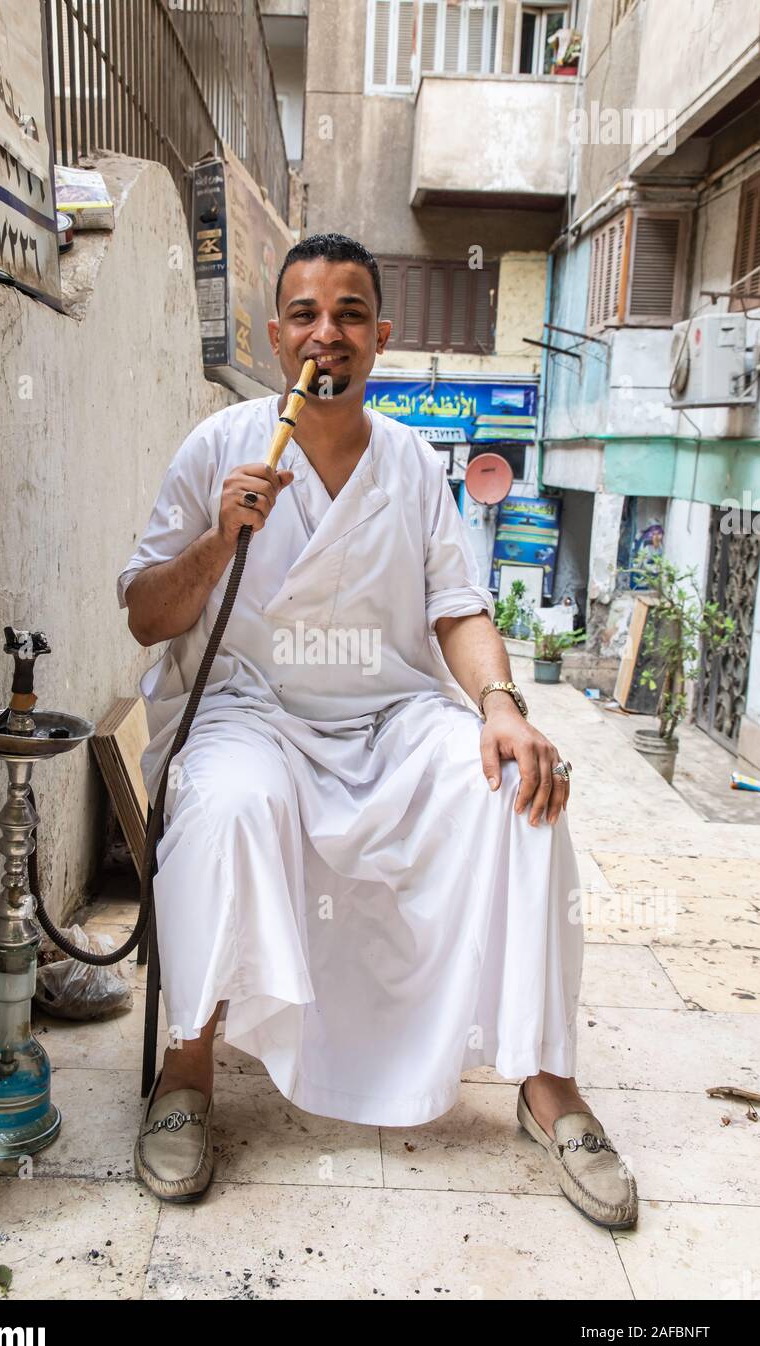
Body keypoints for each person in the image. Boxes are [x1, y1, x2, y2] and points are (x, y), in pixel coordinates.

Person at [117, 233, 638, 1227]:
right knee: (224, 802)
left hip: (390, 716)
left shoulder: (410, 462)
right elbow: (146, 613)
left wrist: (500, 708)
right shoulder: (215, 447)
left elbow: (456, 607)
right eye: (306, 314)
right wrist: (216, 541)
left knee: (515, 790)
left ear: (379, 338)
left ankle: (543, 1082)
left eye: (350, 314)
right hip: (250, 712)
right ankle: (185, 1068)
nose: (328, 333)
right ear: (276, 336)